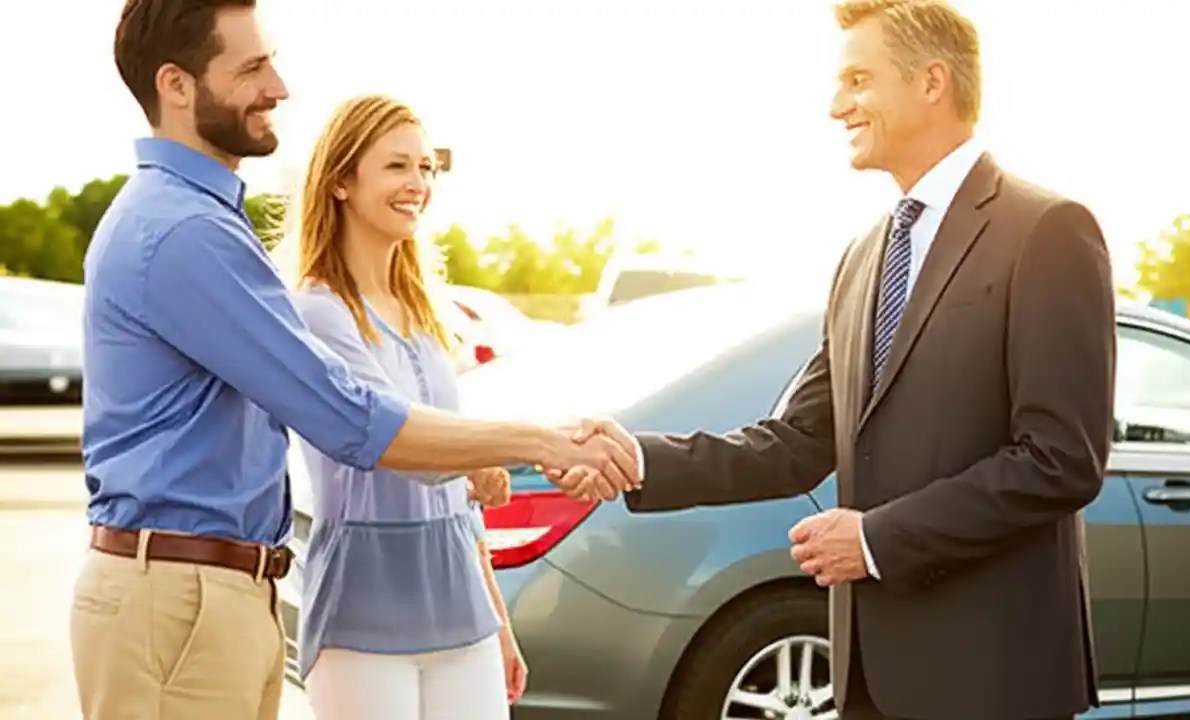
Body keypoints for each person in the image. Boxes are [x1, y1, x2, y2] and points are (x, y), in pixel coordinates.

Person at [73, 2, 635, 719]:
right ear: (176, 85)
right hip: (181, 597)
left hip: (209, 593)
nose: (278, 86)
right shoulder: (184, 233)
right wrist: (543, 441)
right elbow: (350, 419)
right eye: (251, 68)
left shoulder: (200, 220)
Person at [565, 1, 1115, 718]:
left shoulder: (1046, 230)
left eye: (858, 80)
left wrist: (877, 539)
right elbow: (797, 443)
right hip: (868, 679)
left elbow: (1060, 459)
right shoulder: (863, 257)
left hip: (993, 678)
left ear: (932, 82)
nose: (836, 106)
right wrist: (639, 457)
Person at [284, 94, 524, 719]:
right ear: (340, 181)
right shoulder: (318, 314)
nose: (418, 183)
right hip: (364, 608)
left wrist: (496, 615)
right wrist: (499, 450)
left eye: (426, 167)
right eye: (396, 166)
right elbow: (403, 447)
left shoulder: (425, 311)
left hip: (459, 604)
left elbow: (458, 497)